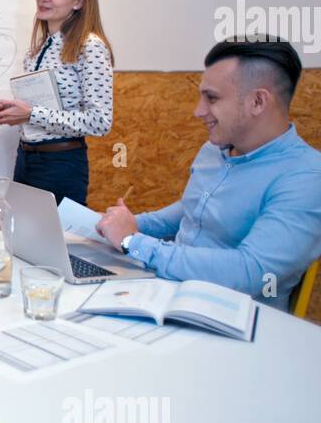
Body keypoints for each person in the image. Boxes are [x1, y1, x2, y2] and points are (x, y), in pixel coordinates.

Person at [96, 37, 321, 311]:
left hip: (233, 323)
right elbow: (190, 213)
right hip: (167, 295)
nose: (198, 111)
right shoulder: (213, 150)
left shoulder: (306, 176)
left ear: (258, 101)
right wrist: (112, 224)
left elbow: (251, 272)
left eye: (211, 98)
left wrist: (134, 242)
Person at [0, 0, 114, 206]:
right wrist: (10, 114)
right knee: (22, 242)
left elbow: (100, 122)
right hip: (26, 160)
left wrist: (31, 114)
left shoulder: (90, 47)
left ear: (79, 1)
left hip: (61, 165)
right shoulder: (37, 50)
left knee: (56, 244)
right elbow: (38, 113)